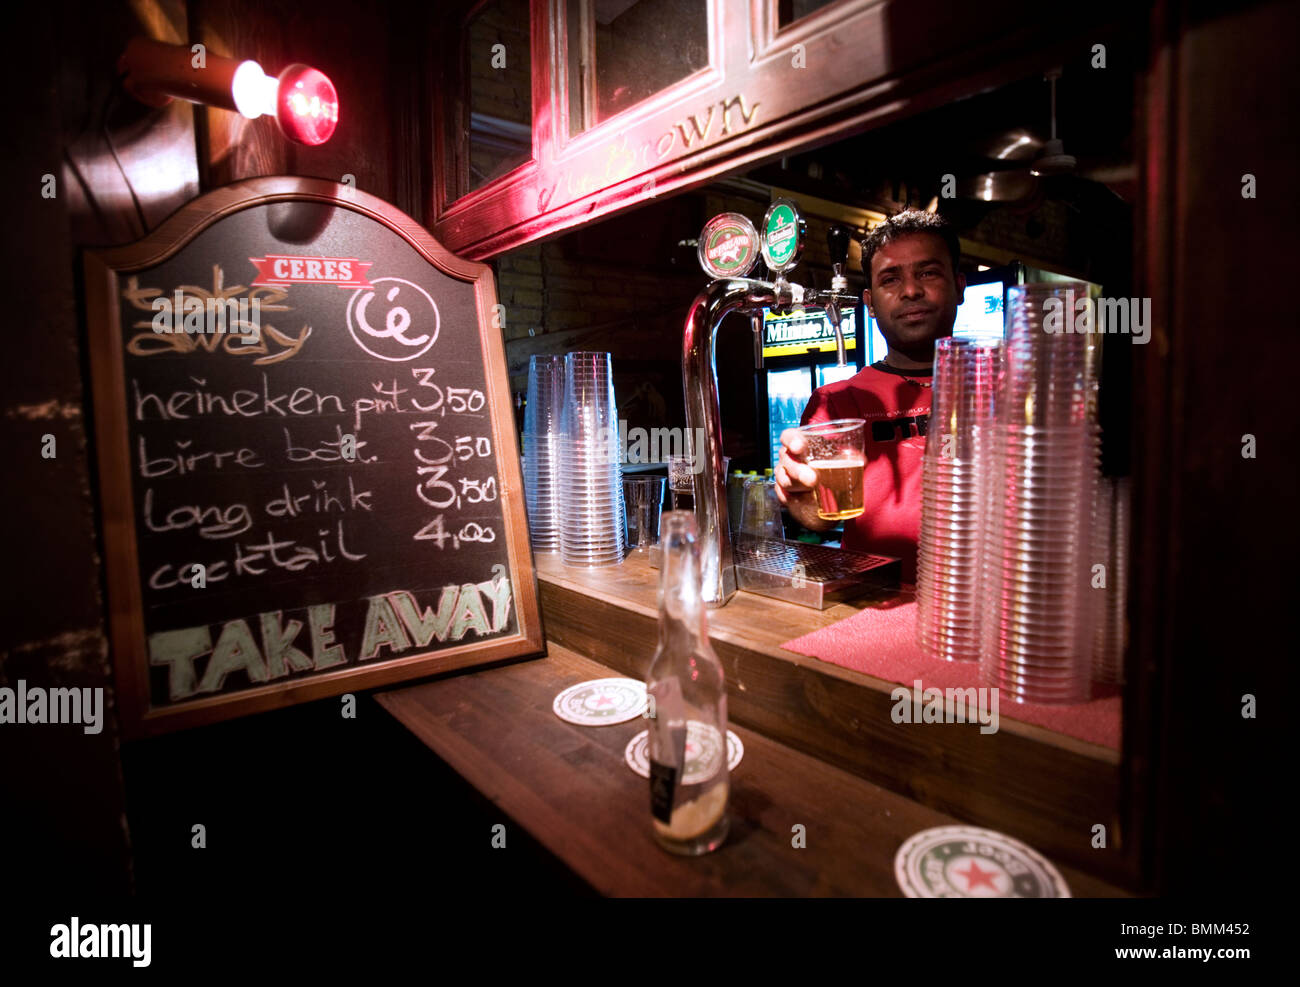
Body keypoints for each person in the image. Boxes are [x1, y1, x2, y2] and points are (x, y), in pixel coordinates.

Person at [774, 209, 966, 582]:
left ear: (959, 286)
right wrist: (801, 495)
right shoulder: (839, 401)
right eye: (891, 279)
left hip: (994, 607)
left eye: (927, 273)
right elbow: (821, 514)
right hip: (878, 603)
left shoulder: (1010, 387)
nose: (911, 290)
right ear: (870, 302)